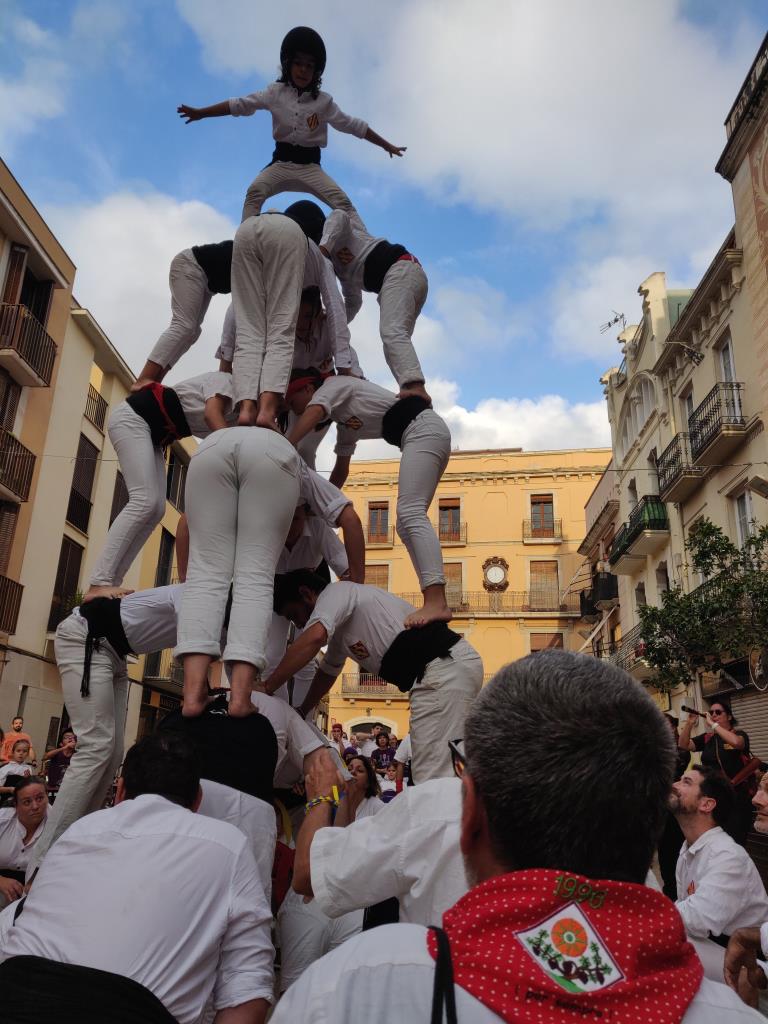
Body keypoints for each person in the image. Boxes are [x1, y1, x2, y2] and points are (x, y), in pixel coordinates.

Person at [272, 650, 761, 1024]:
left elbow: (309, 874)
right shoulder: (734, 1014)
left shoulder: (359, 988)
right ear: (651, 819)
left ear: (471, 819)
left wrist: (320, 796)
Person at [0, 733, 273, 1024]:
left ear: (120, 791)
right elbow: (246, 986)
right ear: (197, 801)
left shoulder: (82, 829)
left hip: (14, 994)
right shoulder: (228, 844)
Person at [26, 585, 185, 877]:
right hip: (86, 637)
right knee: (96, 745)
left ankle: (76, 846)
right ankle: (42, 864)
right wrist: (98, 586)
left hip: (117, 654)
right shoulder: (199, 592)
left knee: (113, 754)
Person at [266, 572, 483, 781]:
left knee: (430, 774)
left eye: (294, 615)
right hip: (446, 670)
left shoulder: (336, 593)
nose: (299, 625)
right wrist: (303, 710)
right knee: (448, 766)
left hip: (441, 670)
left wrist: (267, 687)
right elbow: (327, 671)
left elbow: (314, 637)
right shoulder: (340, 632)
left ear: (306, 594)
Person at [178, 26, 404, 222]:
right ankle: (247, 247)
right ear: (288, 65)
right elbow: (240, 105)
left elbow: (353, 125)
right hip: (281, 164)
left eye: (309, 65)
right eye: (298, 64)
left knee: (343, 204)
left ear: (316, 71)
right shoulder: (274, 93)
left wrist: (386, 145)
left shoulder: (324, 102)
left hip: (310, 167)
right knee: (255, 193)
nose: (303, 70)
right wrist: (201, 113)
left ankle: (365, 253)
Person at [286, 369, 452, 626]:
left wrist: (284, 446)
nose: (292, 409)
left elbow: (315, 412)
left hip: (422, 430)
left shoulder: (335, 386)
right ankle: (432, 598)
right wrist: (315, 507)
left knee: (410, 513)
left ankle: (436, 601)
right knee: (406, 524)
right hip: (419, 435)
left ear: (307, 388)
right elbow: (341, 471)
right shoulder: (345, 422)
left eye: (291, 400)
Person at [175, 427, 299, 715]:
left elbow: (184, 524)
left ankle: (192, 695)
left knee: (204, 575)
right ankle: (240, 698)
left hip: (211, 447)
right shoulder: (283, 435)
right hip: (273, 450)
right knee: (254, 577)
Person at [85, 371, 236, 600]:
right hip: (132, 420)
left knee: (156, 508)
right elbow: (211, 414)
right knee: (144, 500)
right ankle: (100, 581)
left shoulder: (241, 412)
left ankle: (111, 583)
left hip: (152, 435)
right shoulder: (227, 382)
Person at [229, 203, 354, 429]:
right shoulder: (317, 256)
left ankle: (246, 410)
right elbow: (335, 308)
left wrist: (225, 361)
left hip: (246, 230)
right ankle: (266, 413)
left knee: (250, 332)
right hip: (288, 234)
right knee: (281, 331)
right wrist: (345, 367)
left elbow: (236, 310)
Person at [318, 208, 428, 400]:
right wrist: (331, 321)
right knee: (392, 344)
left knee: (392, 331)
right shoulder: (341, 270)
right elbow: (354, 301)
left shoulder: (342, 231)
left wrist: (324, 248)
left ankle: (415, 387)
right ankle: (409, 390)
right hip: (403, 278)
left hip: (401, 269)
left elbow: (340, 215)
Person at [671, 764, 768, 980]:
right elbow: (686, 913)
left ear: (707, 804)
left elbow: (697, 920)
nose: (674, 786)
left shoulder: (727, 855)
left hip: (751, 962)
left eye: (685, 782)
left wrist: (649, 910)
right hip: (716, 946)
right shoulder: (689, 849)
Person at [132, 242, 235, 390]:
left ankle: (156, 379)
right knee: (184, 325)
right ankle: (144, 378)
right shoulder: (251, 253)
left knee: (193, 332)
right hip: (190, 265)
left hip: (204, 279)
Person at [679, 701, 755, 845]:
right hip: (714, 797)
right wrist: (689, 723)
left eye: (718, 712)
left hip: (736, 798)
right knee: (716, 841)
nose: (714, 715)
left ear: (730, 716)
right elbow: (683, 744)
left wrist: (714, 725)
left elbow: (737, 743)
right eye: (712, 712)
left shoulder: (738, 734)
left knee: (734, 841)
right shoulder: (708, 738)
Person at [0, 777, 48, 906]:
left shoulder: (58, 822)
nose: (35, 806)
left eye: (40, 798)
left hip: (39, 886)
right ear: (16, 806)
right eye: (27, 802)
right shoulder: (3, 819)